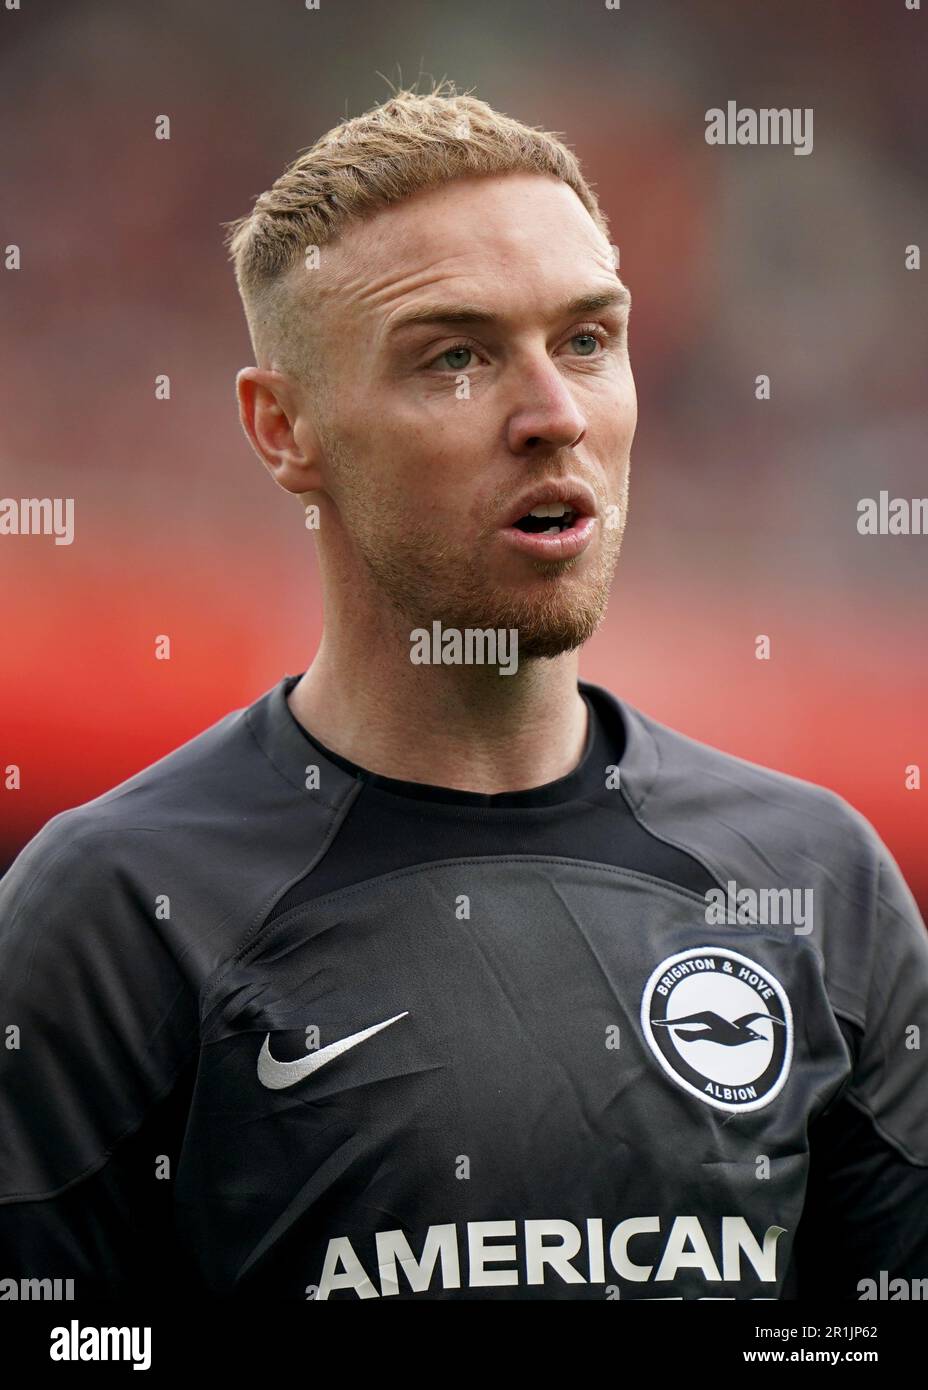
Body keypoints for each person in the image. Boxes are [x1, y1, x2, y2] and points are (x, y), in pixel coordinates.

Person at [1, 81, 925, 1302]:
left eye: (588, 341)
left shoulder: (820, 880)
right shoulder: (113, 913)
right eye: (455, 358)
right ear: (284, 429)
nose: (553, 416)